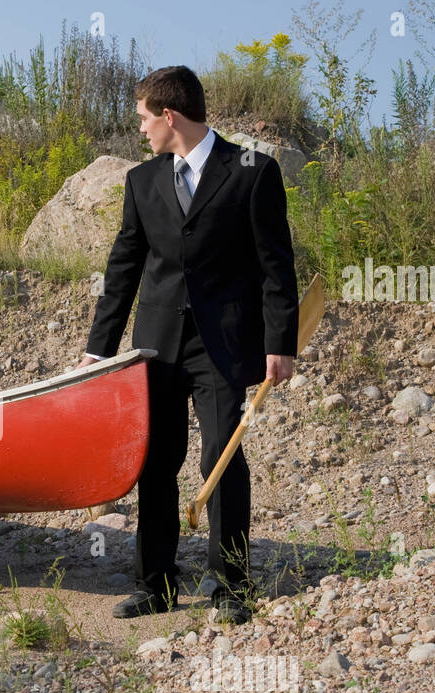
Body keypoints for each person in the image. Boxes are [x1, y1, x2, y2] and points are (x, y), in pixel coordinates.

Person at [78, 66, 298, 624]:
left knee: (220, 459)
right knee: (156, 462)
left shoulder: (253, 171)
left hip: (223, 346)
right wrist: (100, 348)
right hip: (155, 349)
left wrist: (281, 343)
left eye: (144, 119)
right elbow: (123, 267)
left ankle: (231, 587)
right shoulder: (143, 181)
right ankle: (157, 586)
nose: (142, 131)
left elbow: (277, 267)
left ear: (169, 116)